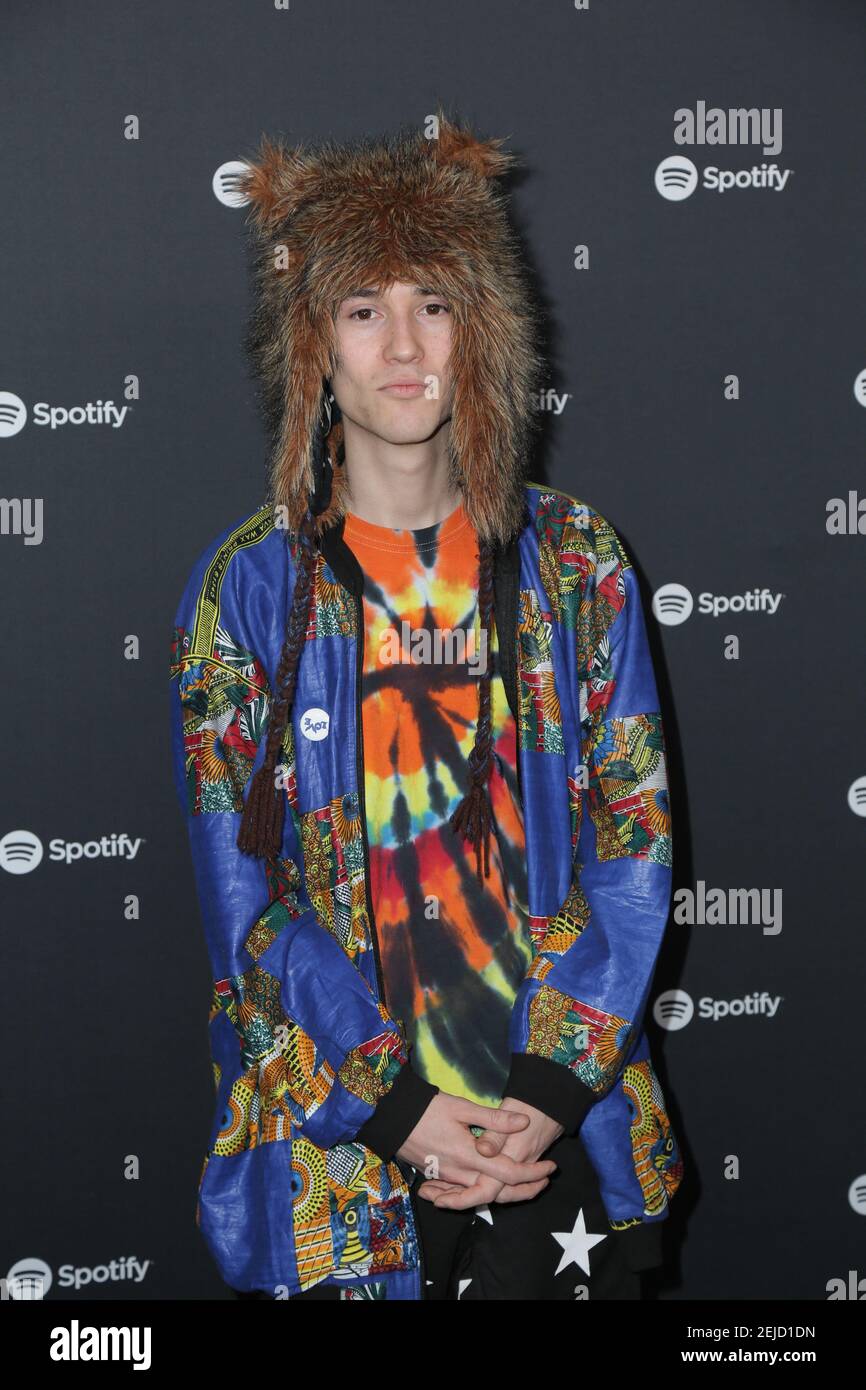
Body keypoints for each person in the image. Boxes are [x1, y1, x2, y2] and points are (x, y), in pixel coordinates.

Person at [169, 109, 684, 1301]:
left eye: (434, 304)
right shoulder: (248, 587)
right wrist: (393, 1106)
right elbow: (243, 905)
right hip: (345, 1158)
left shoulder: (576, 562)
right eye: (362, 309)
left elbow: (634, 842)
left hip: (555, 1128)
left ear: (480, 330)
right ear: (315, 343)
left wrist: (546, 1090)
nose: (402, 344)